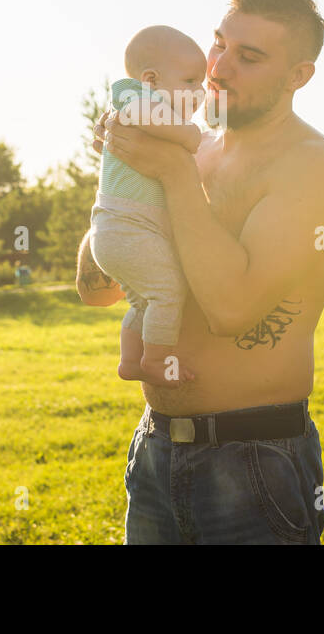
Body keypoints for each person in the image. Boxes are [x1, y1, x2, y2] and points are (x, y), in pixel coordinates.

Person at [75, 0, 324, 544]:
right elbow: (97, 288)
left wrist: (173, 176)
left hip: (252, 462)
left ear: (299, 75)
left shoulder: (310, 166)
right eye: (219, 44)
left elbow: (231, 309)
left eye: (248, 57)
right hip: (155, 450)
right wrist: (118, 180)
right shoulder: (189, 148)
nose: (218, 69)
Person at [87, 25, 208, 386]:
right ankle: (157, 361)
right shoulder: (132, 95)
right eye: (189, 81)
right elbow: (145, 114)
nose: (199, 92)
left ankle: (129, 361)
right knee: (168, 293)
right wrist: (189, 134)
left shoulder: (158, 118)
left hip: (123, 231)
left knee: (143, 302)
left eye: (201, 83)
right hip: (126, 227)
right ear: (151, 79)